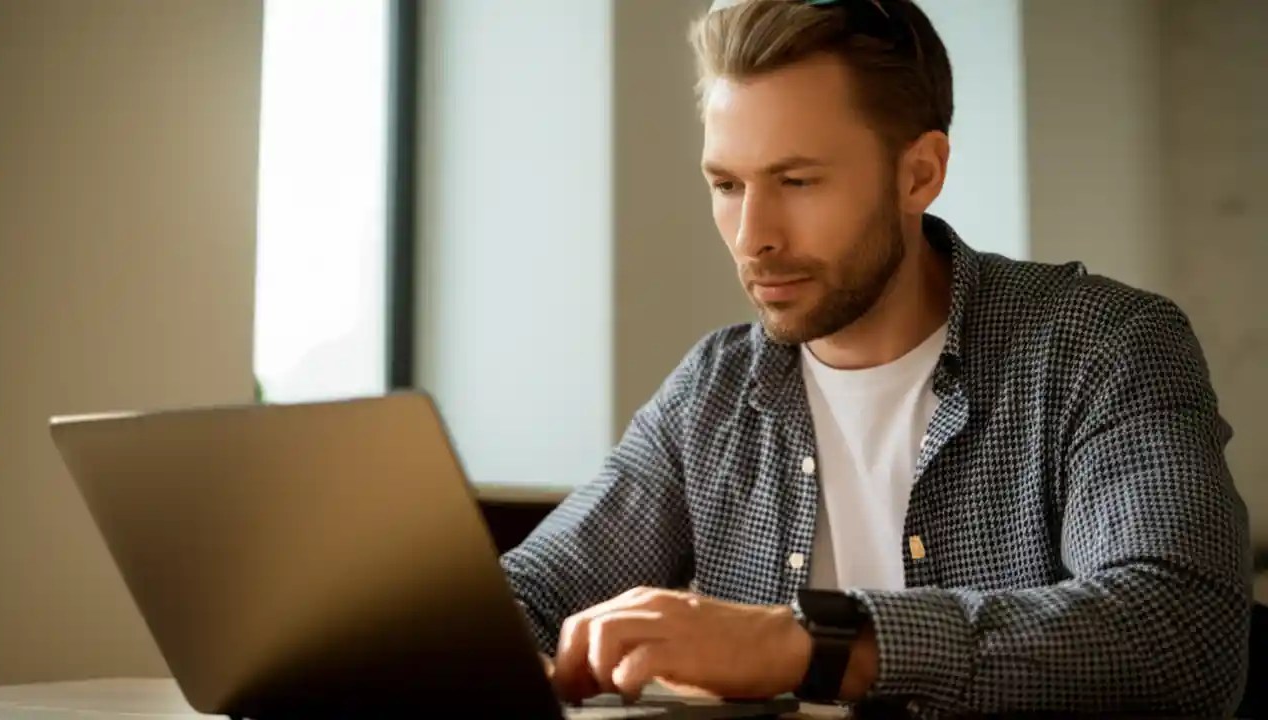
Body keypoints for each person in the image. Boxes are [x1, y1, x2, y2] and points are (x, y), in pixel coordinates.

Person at [501, 0, 1251, 715]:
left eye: (796, 181)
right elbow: (528, 596)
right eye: (727, 185)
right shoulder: (713, 393)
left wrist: (808, 644)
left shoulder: (1102, 345)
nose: (751, 236)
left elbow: (1181, 632)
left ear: (919, 173)